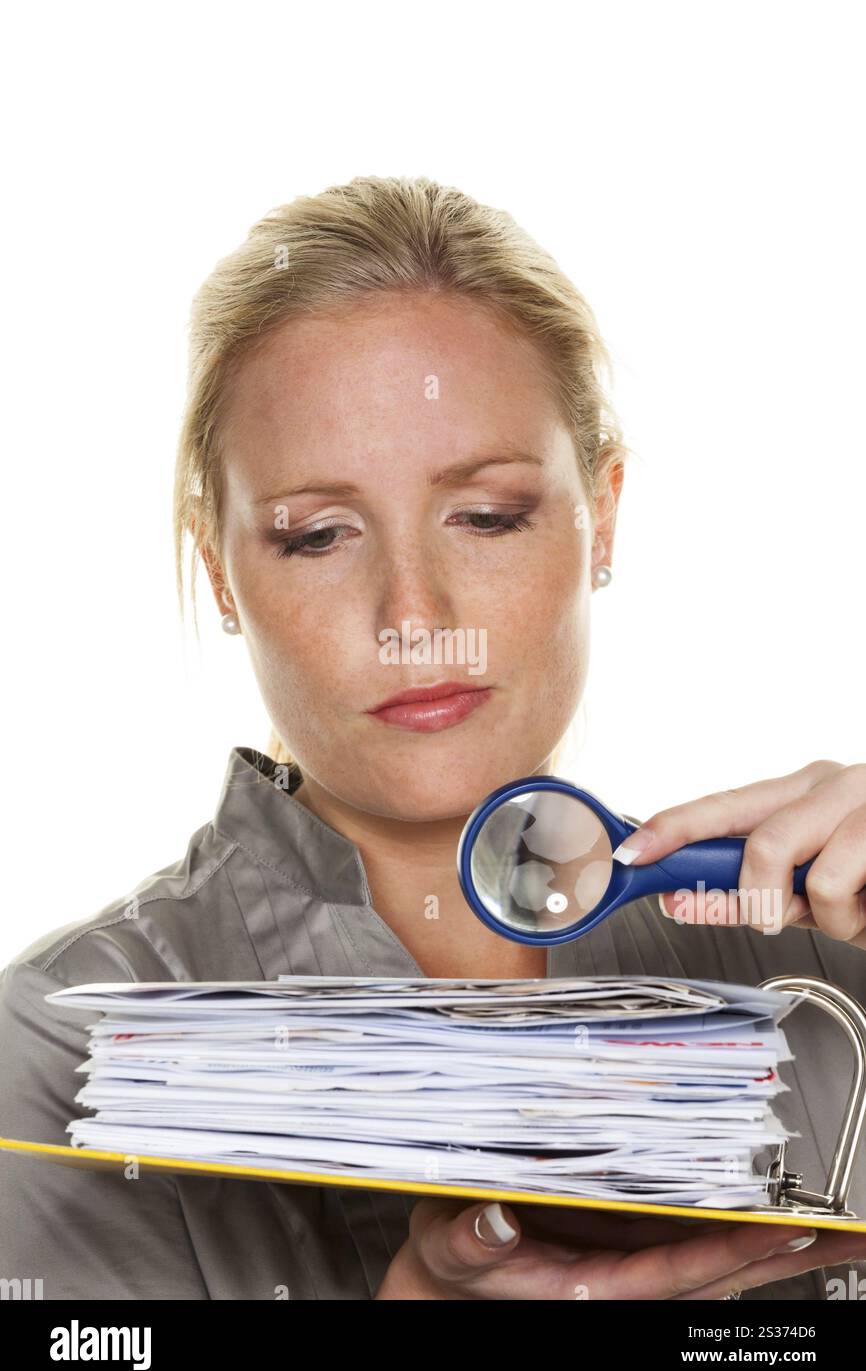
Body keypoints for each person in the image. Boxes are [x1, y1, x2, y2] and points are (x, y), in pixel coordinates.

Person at [1, 175, 865, 1301]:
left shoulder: (815, 961)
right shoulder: (59, 1052)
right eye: (317, 536)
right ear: (218, 567)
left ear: (598, 515)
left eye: (487, 516)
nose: (413, 618)